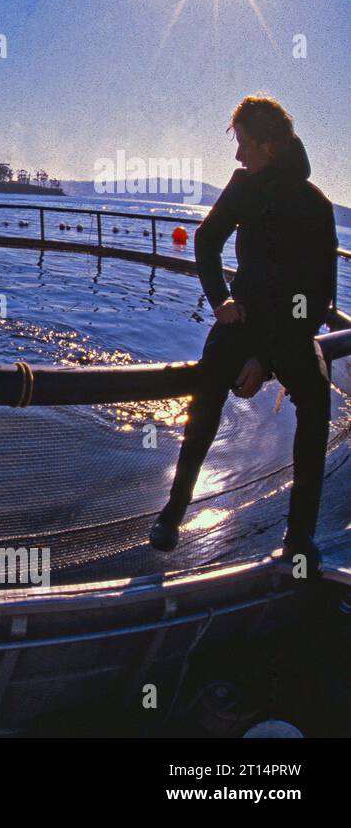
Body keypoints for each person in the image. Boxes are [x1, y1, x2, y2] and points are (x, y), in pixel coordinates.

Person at [149, 97, 339, 569]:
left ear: (270, 146)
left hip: (292, 329)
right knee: (207, 391)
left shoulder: (315, 206)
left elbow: (318, 295)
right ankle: (173, 512)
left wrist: (267, 359)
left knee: (315, 403)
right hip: (243, 319)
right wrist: (221, 299)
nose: (238, 157)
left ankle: (300, 537)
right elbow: (207, 240)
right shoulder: (242, 187)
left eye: (244, 146)